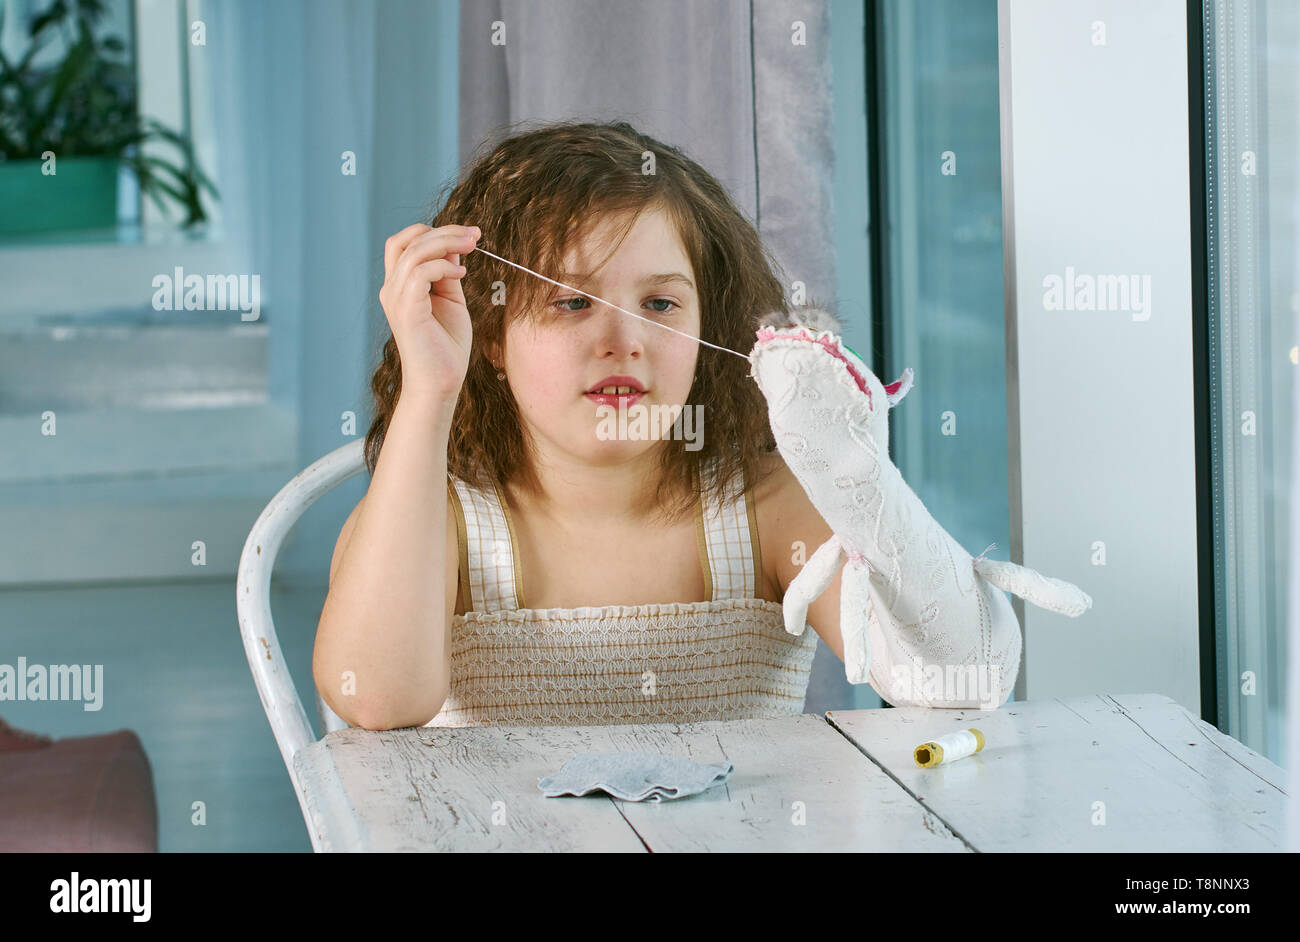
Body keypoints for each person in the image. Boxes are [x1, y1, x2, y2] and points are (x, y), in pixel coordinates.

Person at [314, 120, 853, 730]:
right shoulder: (438, 520)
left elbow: (941, 671)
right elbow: (375, 699)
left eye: (659, 304)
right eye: (570, 302)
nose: (623, 343)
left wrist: (855, 465)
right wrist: (430, 391)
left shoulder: (772, 504)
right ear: (490, 337)